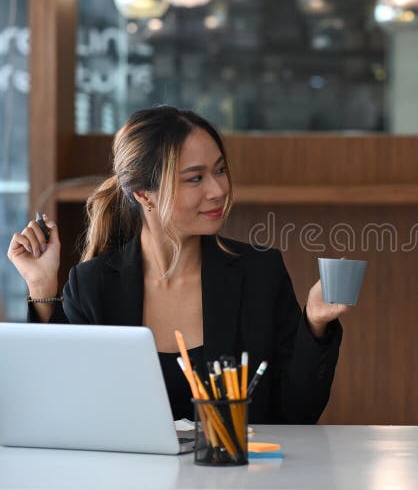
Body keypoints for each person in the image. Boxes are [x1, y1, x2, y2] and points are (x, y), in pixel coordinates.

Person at [7, 106, 352, 423]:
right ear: (143, 194)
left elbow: (297, 414)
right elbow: (59, 405)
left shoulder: (260, 272)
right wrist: (41, 287)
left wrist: (315, 323)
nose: (218, 190)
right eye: (195, 178)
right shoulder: (93, 284)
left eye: (220, 170)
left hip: (235, 470)